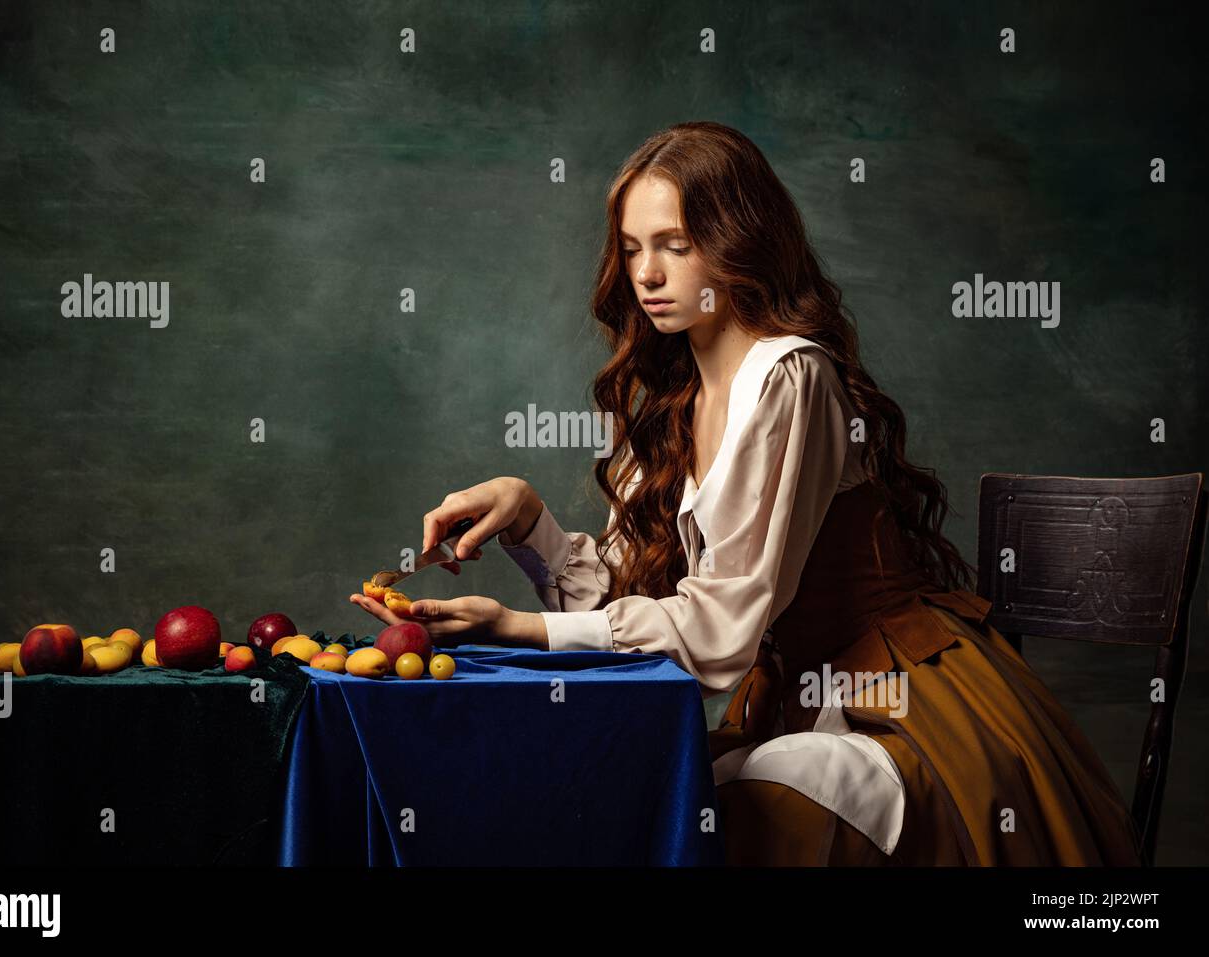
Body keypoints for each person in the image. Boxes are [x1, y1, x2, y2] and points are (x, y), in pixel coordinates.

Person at [349, 121, 1142, 866]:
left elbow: (720, 628)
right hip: (792, 703)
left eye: (675, 245)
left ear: (738, 244)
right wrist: (529, 519)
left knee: (720, 809)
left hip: (899, 698)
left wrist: (520, 627)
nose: (648, 274)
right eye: (631, 250)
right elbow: (635, 601)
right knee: (623, 794)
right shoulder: (670, 403)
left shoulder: (792, 375)